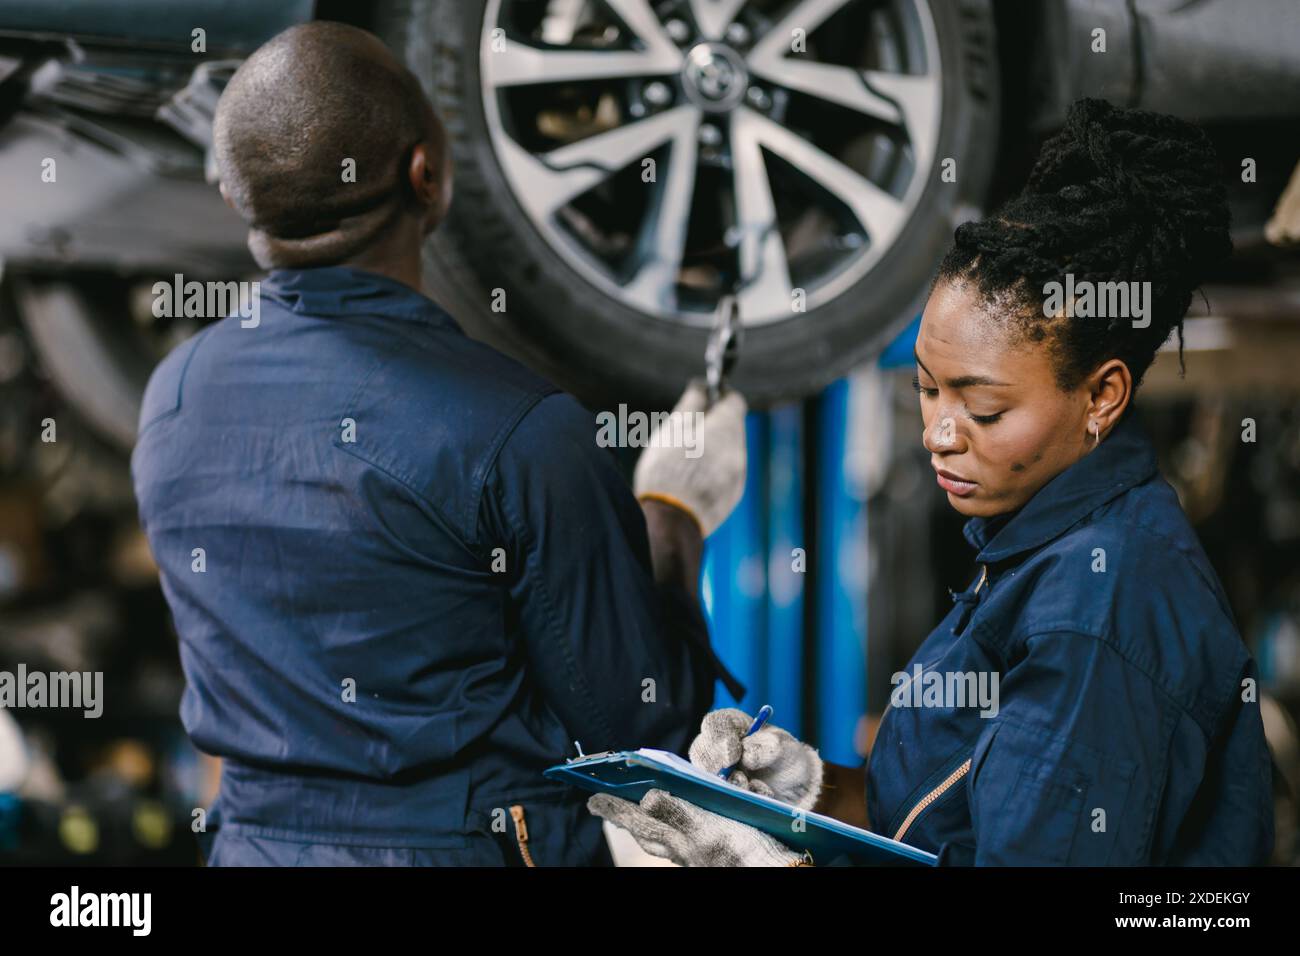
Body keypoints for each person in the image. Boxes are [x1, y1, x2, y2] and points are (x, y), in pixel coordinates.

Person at [592, 98, 1276, 866]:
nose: (939, 434)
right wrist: (804, 795)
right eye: (927, 389)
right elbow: (930, 825)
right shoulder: (1032, 558)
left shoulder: (1097, 612)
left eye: (983, 407)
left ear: (1102, 397)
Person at [130, 22, 746, 866]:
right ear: (428, 174)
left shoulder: (173, 401)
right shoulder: (519, 428)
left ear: (238, 198)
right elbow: (644, 736)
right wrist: (675, 513)